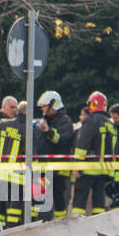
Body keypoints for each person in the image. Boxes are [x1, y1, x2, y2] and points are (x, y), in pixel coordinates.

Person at [72, 91, 117, 216]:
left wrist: (77, 165)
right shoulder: (110, 123)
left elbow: (82, 145)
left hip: (88, 169)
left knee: (79, 201)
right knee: (99, 202)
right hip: (104, 171)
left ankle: (77, 227)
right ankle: (99, 226)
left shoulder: (90, 120)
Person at [34, 90, 74, 220]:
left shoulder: (65, 121)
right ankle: (40, 226)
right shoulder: (43, 121)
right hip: (42, 170)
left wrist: (48, 131)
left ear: (53, 104)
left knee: (59, 200)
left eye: (44, 106)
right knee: (40, 201)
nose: (42, 108)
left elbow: (63, 141)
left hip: (58, 171)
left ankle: (61, 226)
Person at [0, 110, 26, 228]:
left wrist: (1, 114)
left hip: (1, 174)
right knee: (14, 209)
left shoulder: (3, 124)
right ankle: (12, 229)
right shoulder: (27, 129)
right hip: (17, 177)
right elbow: (31, 154)